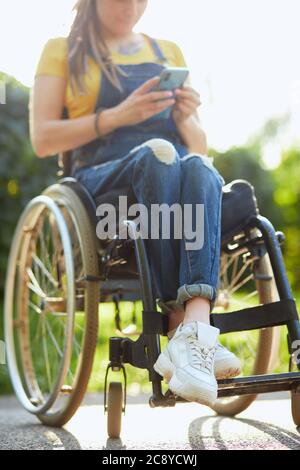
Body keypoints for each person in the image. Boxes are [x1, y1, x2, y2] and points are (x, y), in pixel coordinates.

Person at [30, 0, 241, 406]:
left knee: (196, 163)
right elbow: (42, 138)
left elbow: (198, 145)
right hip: (102, 178)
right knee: (159, 153)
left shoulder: (169, 50)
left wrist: (186, 117)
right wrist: (116, 116)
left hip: (174, 173)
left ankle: (192, 327)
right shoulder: (61, 49)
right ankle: (182, 326)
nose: (130, 5)